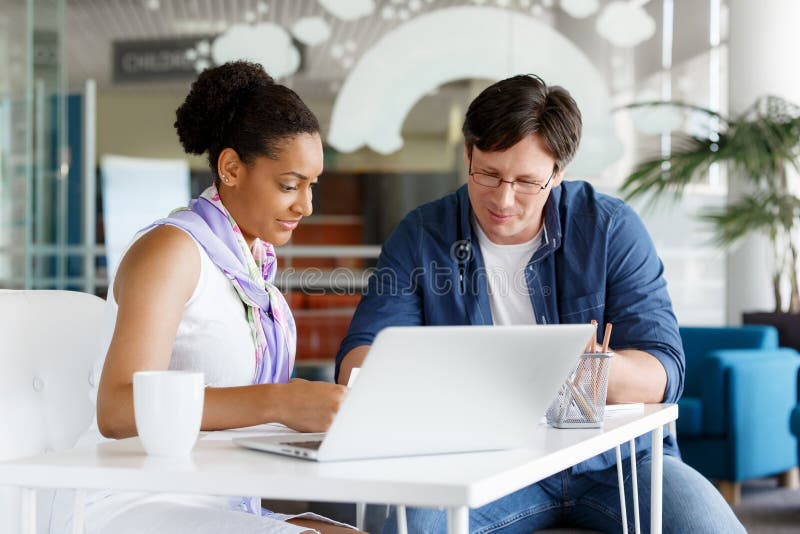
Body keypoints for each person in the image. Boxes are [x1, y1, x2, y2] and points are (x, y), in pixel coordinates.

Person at [335, 75, 745, 533]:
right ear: (468, 154)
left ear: (558, 173)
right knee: (413, 527)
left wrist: (585, 369)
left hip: (618, 462)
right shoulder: (421, 235)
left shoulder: (610, 229)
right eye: (488, 173)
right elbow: (356, 365)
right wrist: (442, 374)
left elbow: (665, 372)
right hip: (481, 463)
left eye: (527, 182)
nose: (503, 199)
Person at [51, 61, 358, 534]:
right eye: (289, 185)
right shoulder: (171, 251)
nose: (306, 205)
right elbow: (116, 410)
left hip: (215, 496)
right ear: (231, 168)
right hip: (130, 499)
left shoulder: (256, 276)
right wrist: (280, 402)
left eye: (311, 185)